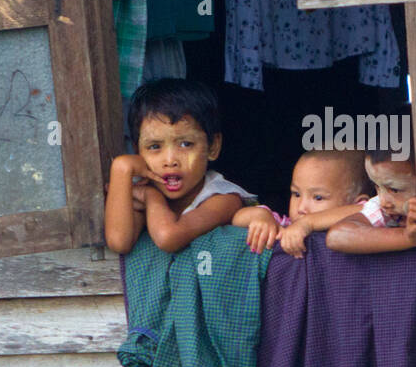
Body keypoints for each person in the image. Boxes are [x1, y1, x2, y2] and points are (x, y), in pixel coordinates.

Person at [104, 79, 252, 254]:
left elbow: (168, 237)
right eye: (154, 147)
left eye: (185, 144)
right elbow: (119, 242)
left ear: (213, 147)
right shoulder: (144, 190)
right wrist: (121, 169)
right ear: (138, 152)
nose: (170, 160)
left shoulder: (224, 198)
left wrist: (151, 196)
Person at [231, 149, 369, 257]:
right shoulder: (286, 226)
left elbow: (365, 209)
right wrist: (262, 217)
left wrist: (308, 223)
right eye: (296, 194)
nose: (301, 208)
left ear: (354, 201)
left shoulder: (361, 222)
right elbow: (238, 218)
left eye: (318, 198)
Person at [326, 147, 416, 253]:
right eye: (377, 186)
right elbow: (337, 236)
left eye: (394, 190)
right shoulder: (384, 210)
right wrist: (406, 237)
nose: (383, 202)